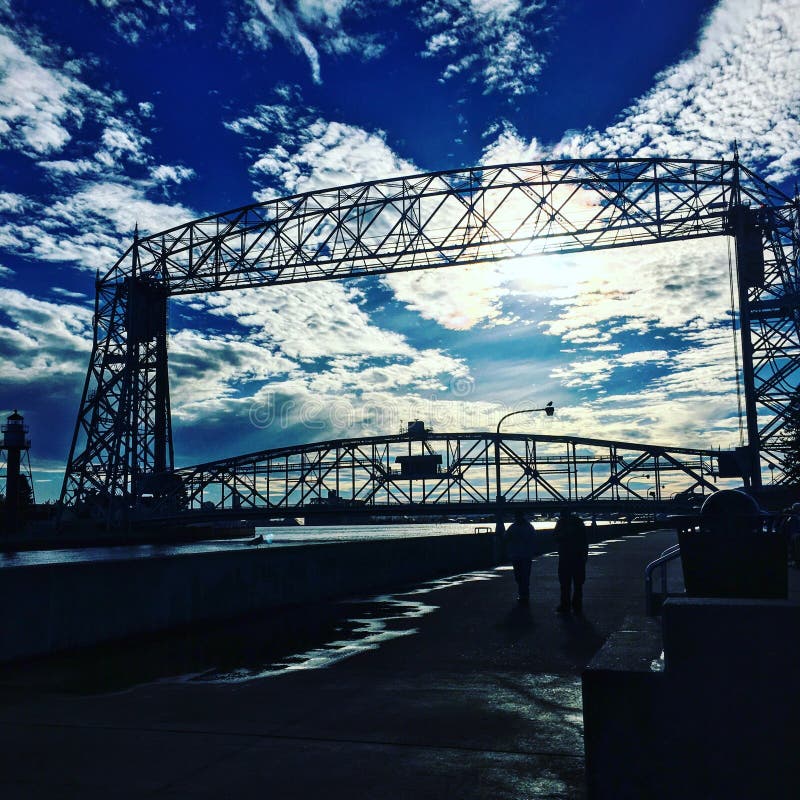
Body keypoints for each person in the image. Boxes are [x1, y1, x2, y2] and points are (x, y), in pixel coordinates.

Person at [555, 510, 588, 615]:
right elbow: (585, 541)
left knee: (565, 583)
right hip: (578, 557)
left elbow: (555, 537)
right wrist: (585, 555)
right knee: (578, 583)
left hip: (565, 557)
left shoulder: (561, 524)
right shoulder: (579, 523)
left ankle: (565, 605)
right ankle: (577, 605)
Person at [503, 510, 537, 604]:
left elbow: (505, 538)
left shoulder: (513, 527)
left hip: (517, 555)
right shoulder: (529, 527)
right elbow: (534, 538)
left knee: (519, 576)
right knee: (524, 575)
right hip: (525, 555)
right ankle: (524, 594)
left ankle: (523, 595)